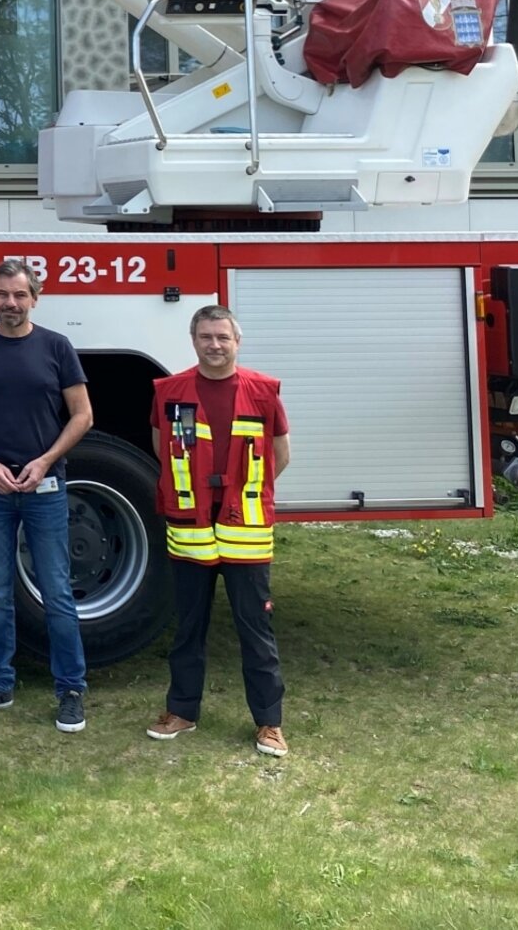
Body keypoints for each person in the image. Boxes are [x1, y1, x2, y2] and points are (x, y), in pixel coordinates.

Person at [0, 258, 95, 733]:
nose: (11, 303)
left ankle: (70, 689)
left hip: (45, 486)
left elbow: (82, 415)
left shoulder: (56, 347)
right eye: (3, 294)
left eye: (20, 295)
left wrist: (45, 461)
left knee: (55, 590)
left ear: (35, 298)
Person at [148, 305, 292, 758]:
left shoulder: (263, 391)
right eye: (206, 336)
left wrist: (241, 496)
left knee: (257, 632)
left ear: (236, 342)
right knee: (188, 628)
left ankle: (269, 724)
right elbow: (161, 448)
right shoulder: (170, 392)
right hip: (190, 530)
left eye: (222, 337)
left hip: (245, 530)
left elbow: (279, 455)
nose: (214, 345)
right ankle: (182, 711)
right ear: (194, 341)